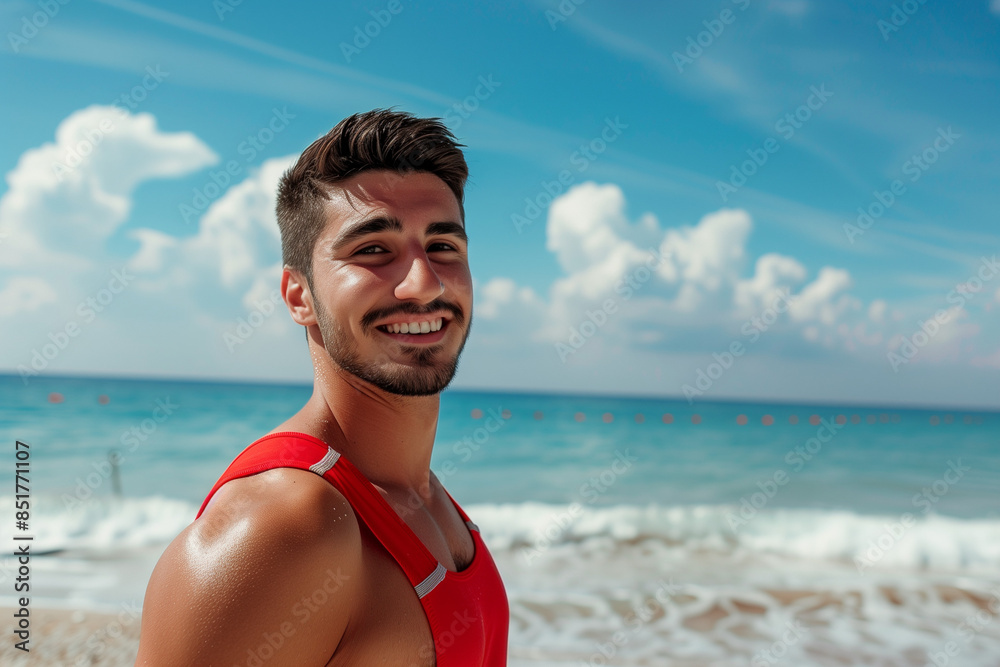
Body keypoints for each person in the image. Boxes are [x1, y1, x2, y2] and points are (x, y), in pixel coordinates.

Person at [135, 109, 509, 666]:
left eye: (443, 246)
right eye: (373, 250)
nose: (423, 282)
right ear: (298, 295)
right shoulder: (283, 525)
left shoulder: (424, 496)